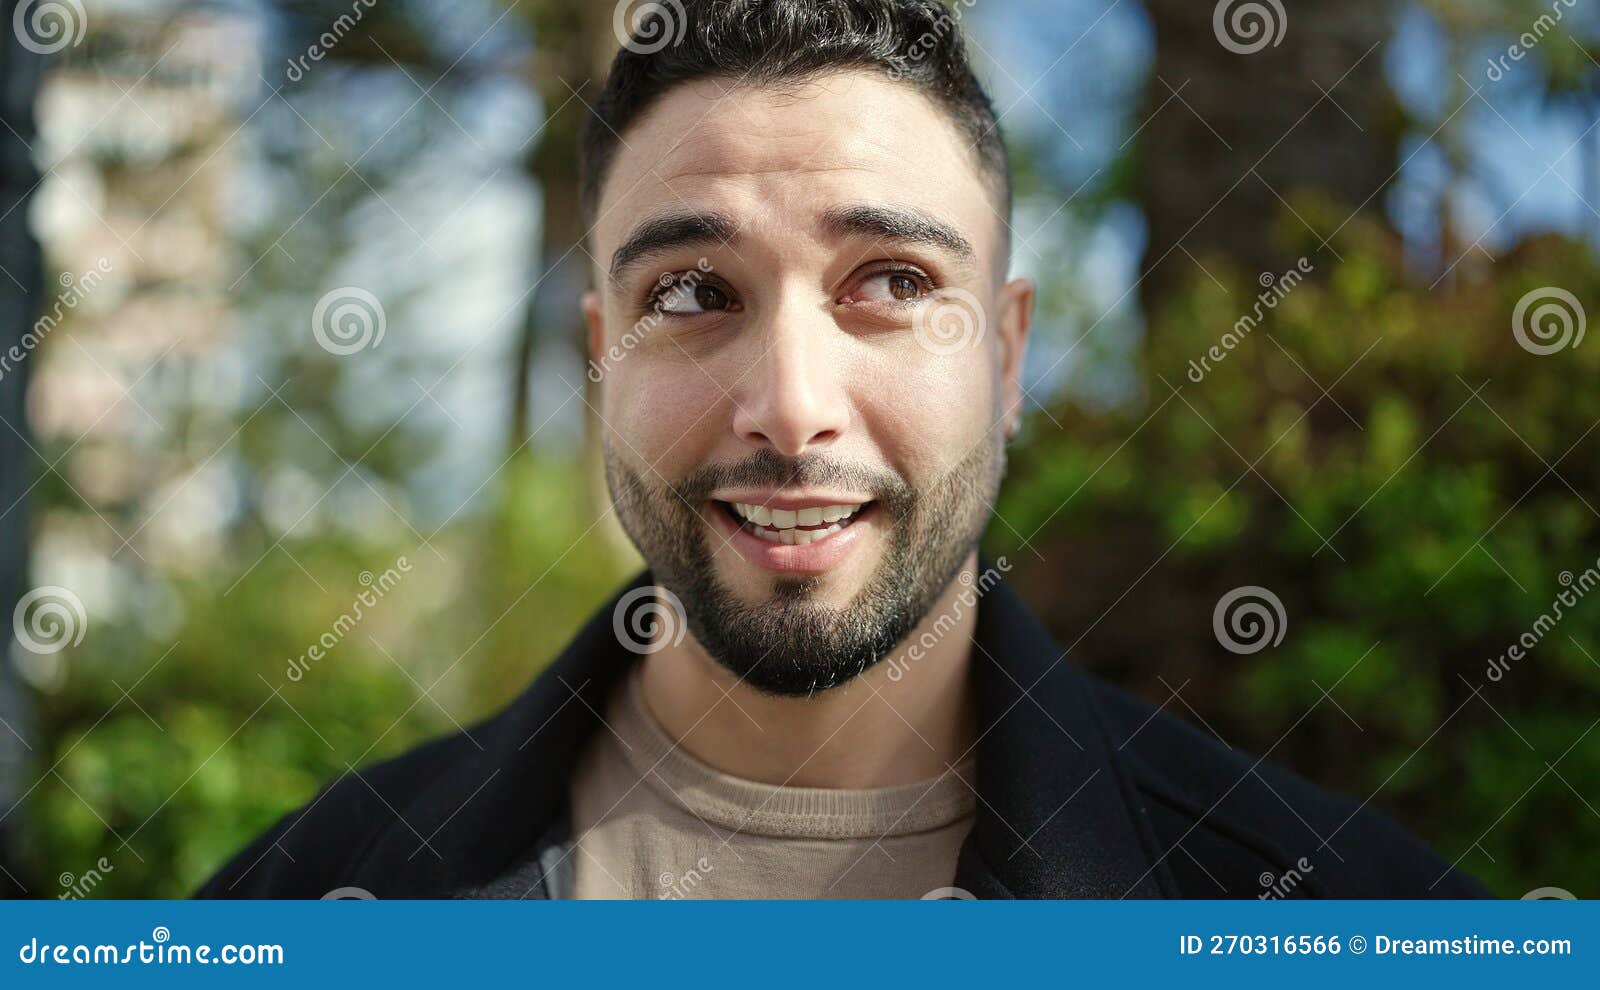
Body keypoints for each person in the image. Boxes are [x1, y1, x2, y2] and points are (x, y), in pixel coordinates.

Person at [199, 0, 1484, 900]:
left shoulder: (1336, 911)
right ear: (603, 359)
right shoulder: (302, 904)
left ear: (1007, 355)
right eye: (694, 293)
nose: (792, 406)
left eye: (890, 280)